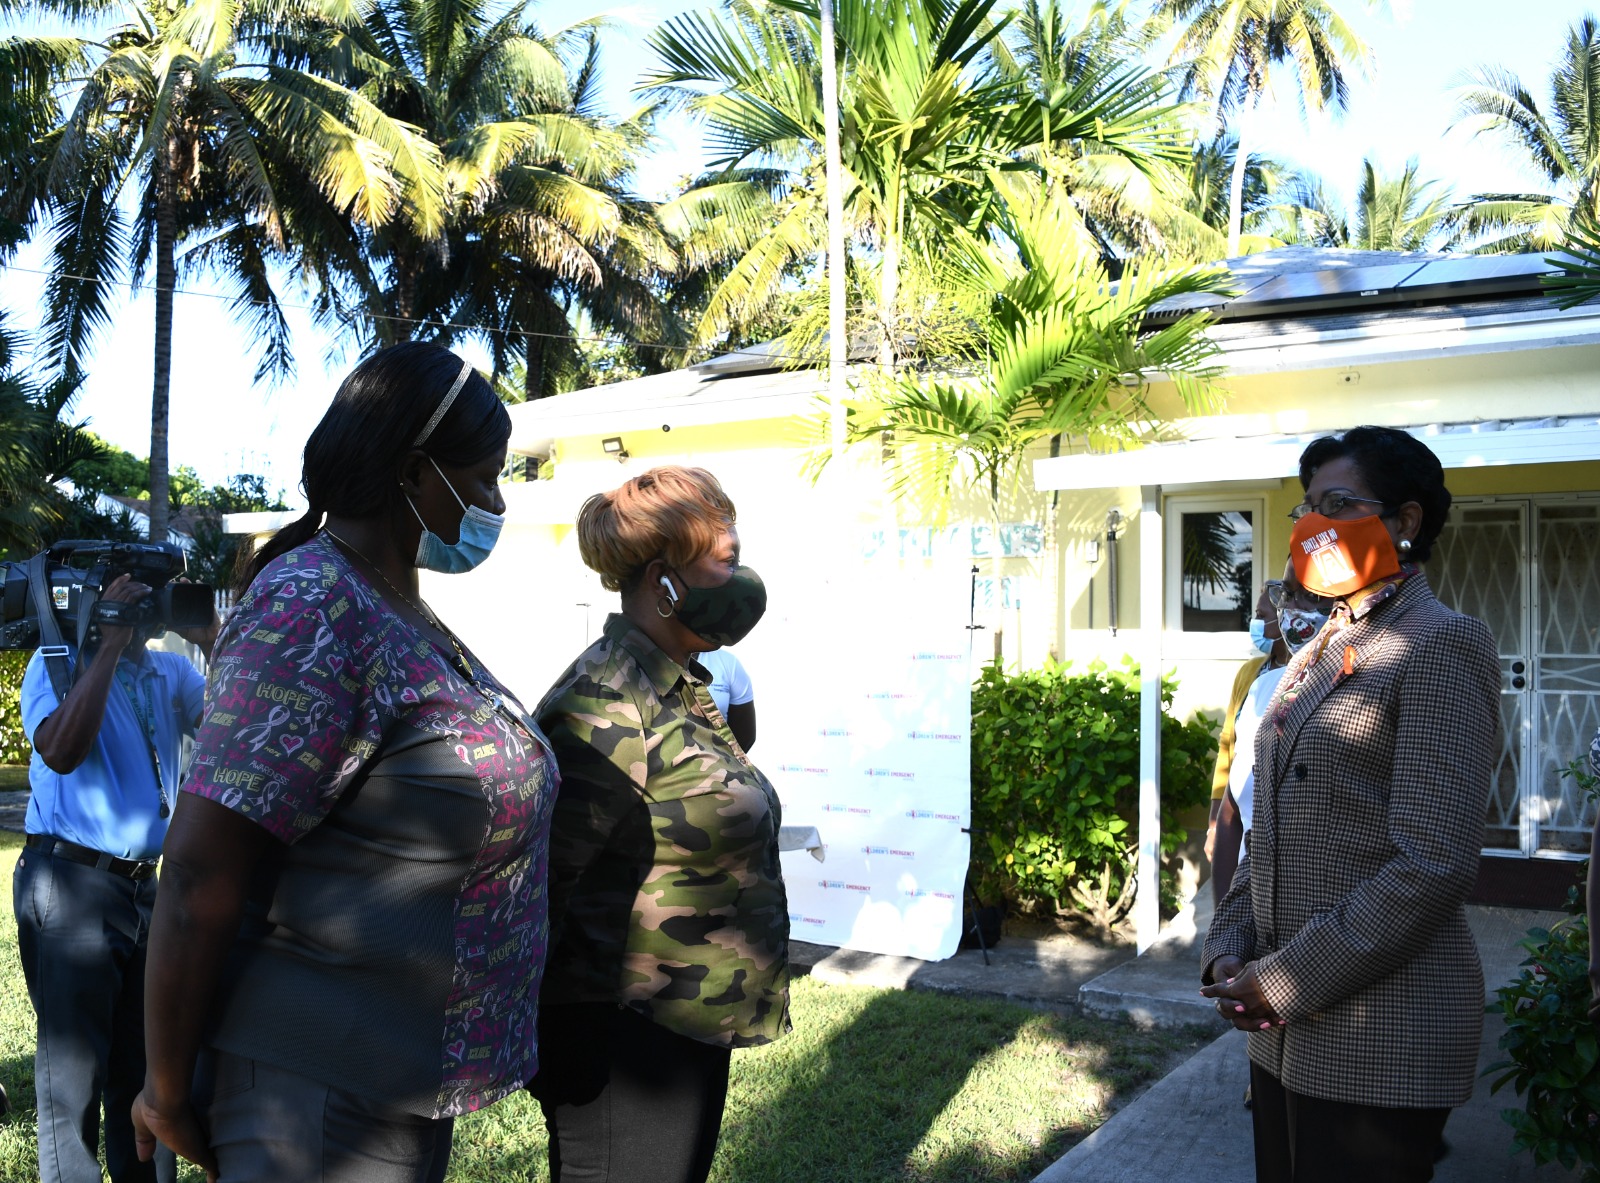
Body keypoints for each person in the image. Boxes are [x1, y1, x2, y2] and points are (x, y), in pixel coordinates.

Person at [131, 342, 559, 1183]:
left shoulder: (391, 605)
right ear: (413, 472)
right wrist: (167, 1090)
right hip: (316, 1094)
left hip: (388, 1083)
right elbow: (196, 869)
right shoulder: (312, 604)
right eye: (485, 477)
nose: (497, 503)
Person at [1200, 425, 1500, 1183]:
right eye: (1306, 506)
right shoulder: (1317, 648)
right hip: (1281, 1032)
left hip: (1382, 1035)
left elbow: (1432, 862)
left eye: (1338, 504)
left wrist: (1287, 977)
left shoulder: (1442, 643)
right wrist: (1229, 943)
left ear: (1404, 521)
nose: (1312, 524)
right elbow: (1272, 823)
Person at [532, 466, 789, 1183]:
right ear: (662, 580)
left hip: (686, 1025)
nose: (741, 579)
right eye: (725, 561)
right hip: (625, 1042)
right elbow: (550, 886)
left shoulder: (681, 684)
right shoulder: (605, 700)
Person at [15, 576, 215, 1183]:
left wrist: (213, 638)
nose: (142, 609)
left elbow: (239, 730)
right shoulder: (53, 663)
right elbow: (61, 749)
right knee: (73, 1081)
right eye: (125, 595)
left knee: (146, 1068)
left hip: (147, 891)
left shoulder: (170, 673)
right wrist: (106, 646)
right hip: (70, 884)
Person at [1208, 572, 1331, 906]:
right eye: (1285, 598)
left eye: (1262, 616)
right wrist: (1215, 821)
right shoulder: (1258, 682)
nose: (1288, 607)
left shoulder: (1337, 685)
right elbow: (1230, 759)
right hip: (1252, 871)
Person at [692, 645, 757, 750]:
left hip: (714, 760)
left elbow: (745, 736)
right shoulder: (656, 660)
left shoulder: (728, 663)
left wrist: (723, 762)